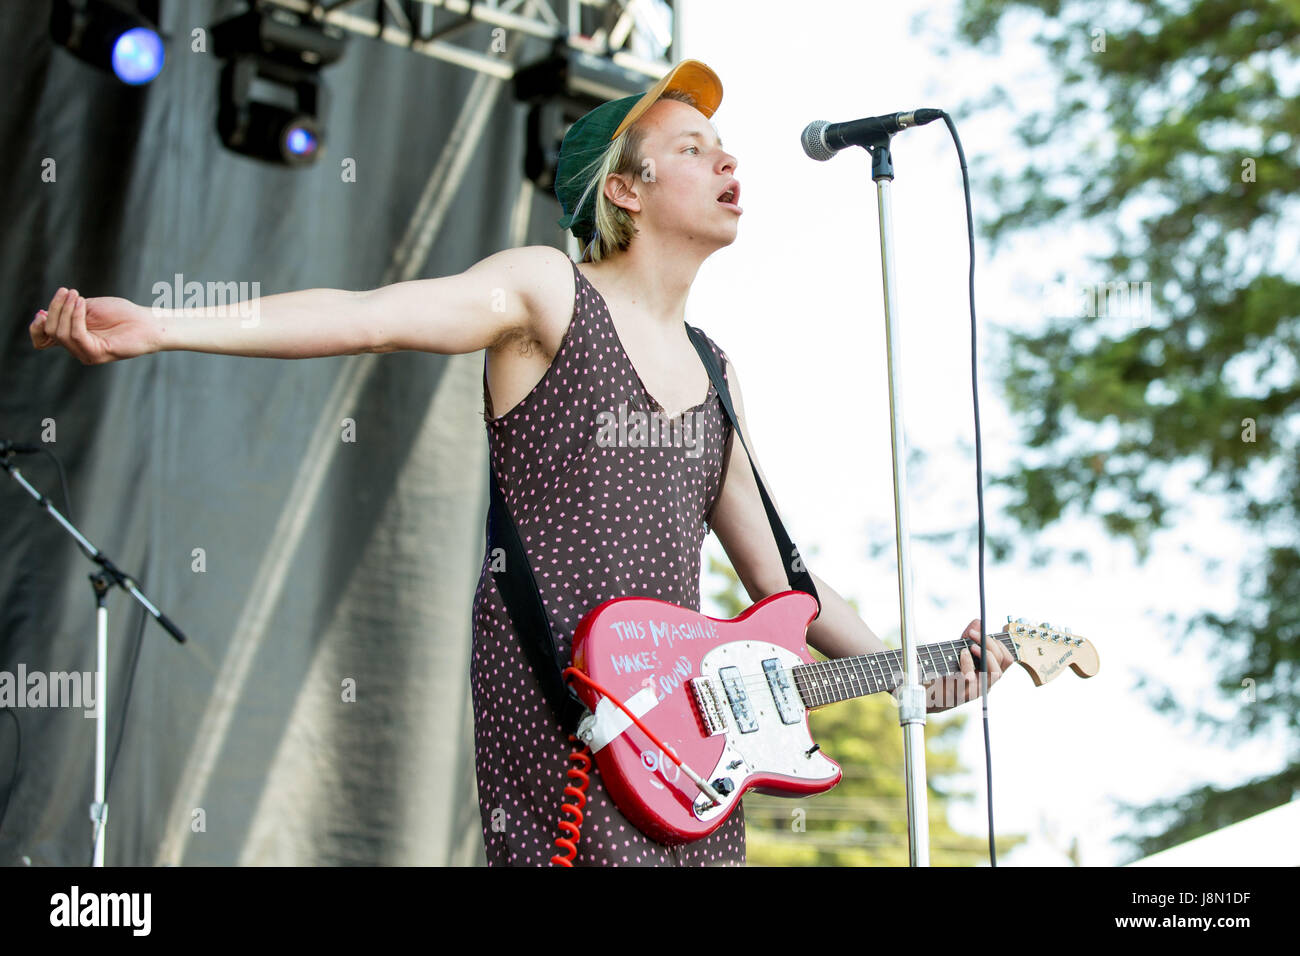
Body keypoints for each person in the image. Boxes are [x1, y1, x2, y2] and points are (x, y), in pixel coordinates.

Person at [29, 58, 1014, 866]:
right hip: (568, 710)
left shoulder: (718, 373)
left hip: (693, 759)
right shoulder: (548, 292)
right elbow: (363, 315)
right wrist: (159, 325)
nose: (726, 160)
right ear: (622, 190)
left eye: (723, 147)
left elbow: (781, 584)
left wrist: (917, 670)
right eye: (690, 146)